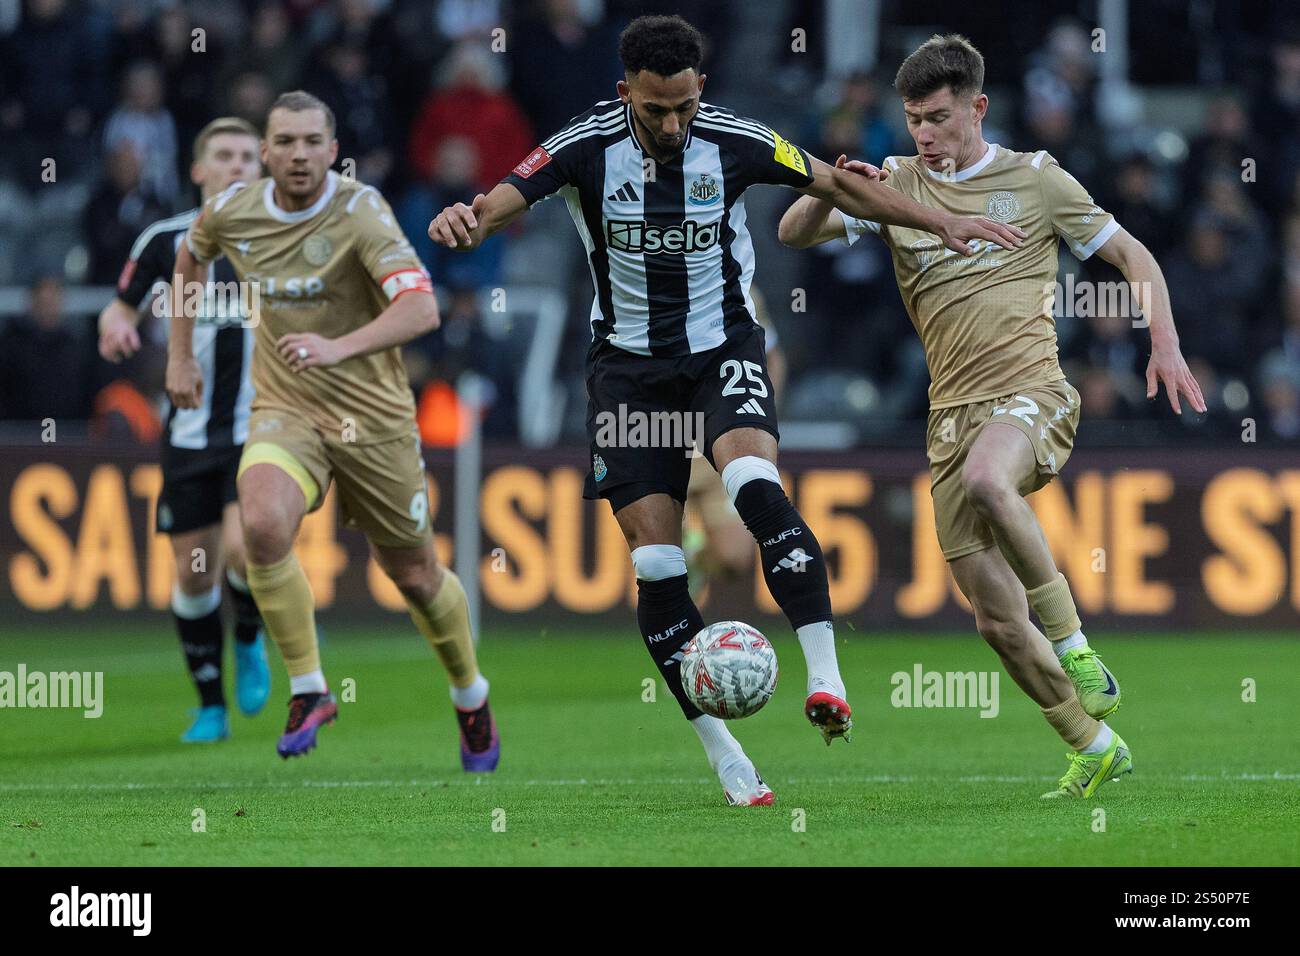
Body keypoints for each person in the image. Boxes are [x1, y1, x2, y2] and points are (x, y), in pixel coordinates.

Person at [428, 15, 1021, 805]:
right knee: (657, 563)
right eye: (653, 111)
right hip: (628, 375)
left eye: (681, 107)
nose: (671, 125)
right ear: (624, 95)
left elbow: (838, 184)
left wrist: (945, 221)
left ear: (700, 89)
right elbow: (505, 197)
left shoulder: (737, 137)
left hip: (721, 349)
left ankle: (827, 678)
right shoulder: (584, 144)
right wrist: (466, 222)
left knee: (752, 481)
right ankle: (725, 753)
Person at [779, 34, 1206, 799]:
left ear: (977, 108)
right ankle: (1092, 742)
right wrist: (832, 187)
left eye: (938, 118)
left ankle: (1077, 645)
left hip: (1033, 393)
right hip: (949, 417)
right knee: (998, 623)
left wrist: (1165, 345)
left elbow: (1134, 255)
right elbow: (792, 234)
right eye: (913, 119)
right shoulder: (899, 182)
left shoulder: (1036, 180)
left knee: (988, 479)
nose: (924, 135)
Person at [165, 91, 499, 769]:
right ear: (264, 152)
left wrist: (339, 347)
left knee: (414, 572)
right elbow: (190, 256)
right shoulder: (234, 209)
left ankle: (470, 693)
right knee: (259, 523)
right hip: (286, 411)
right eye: (284, 141)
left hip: (373, 420)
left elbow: (421, 308)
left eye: (311, 142)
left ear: (332, 148)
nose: (298, 154)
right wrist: (177, 355)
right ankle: (310, 688)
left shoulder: (361, 213)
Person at [98, 117, 271, 743]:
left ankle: (249, 635)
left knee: (247, 547)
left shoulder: (283, 241)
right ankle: (210, 705)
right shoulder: (163, 241)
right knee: (194, 572)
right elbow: (118, 307)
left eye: (248, 156)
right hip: (189, 434)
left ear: (263, 168)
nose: (236, 166)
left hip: (262, 429)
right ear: (198, 169)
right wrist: (115, 326)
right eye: (223, 155)